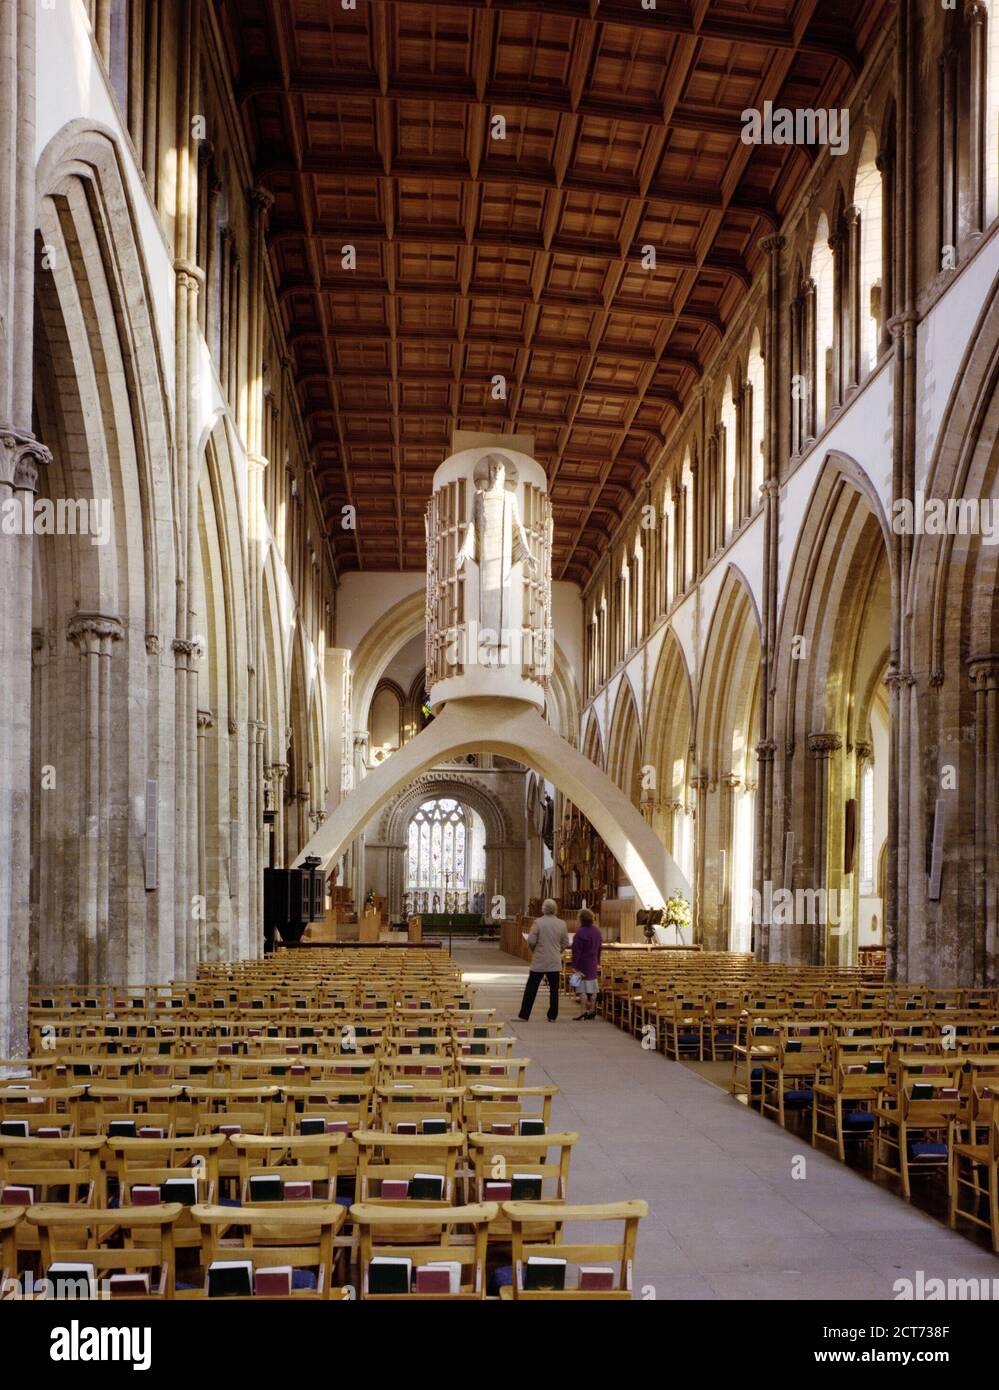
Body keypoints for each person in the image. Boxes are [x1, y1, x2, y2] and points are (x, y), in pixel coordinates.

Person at [517, 898, 569, 1022]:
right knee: (554, 990)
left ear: (543, 909)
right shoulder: (561, 924)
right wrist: (558, 951)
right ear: (555, 909)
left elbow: (531, 940)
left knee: (531, 988)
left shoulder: (538, 923)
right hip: (554, 961)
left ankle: (524, 1014)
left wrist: (534, 950)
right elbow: (565, 942)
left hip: (539, 960)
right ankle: (552, 1016)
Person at [570, 908, 602, 1019]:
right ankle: (592, 1010)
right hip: (593, 963)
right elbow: (599, 949)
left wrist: (574, 965)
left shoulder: (580, 932)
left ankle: (583, 1011)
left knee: (581, 988)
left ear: (581, 919)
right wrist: (598, 961)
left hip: (582, 964)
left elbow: (576, 951)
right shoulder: (597, 932)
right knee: (593, 987)